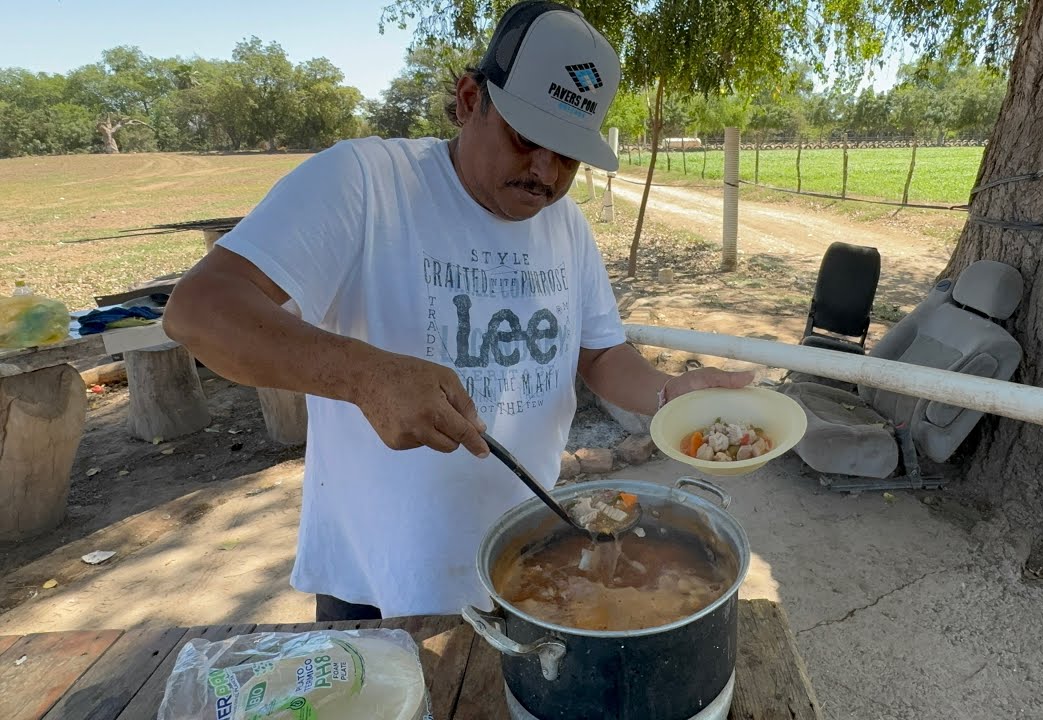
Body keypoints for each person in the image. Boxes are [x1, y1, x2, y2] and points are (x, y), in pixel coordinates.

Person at [162, 0, 751, 621]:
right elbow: (199, 310)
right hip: (379, 581)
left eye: (569, 155)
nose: (546, 173)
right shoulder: (365, 182)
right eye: (528, 139)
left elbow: (600, 353)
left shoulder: (567, 226)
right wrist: (365, 375)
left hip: (528, 557)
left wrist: (668, 394)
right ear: (472, 99)